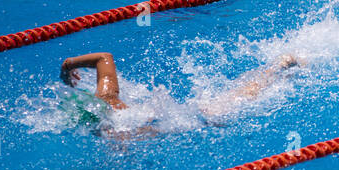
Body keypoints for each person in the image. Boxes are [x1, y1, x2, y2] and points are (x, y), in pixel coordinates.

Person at [60, 51, 303, 123]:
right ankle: (280, 66)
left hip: (196, 120)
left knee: (238, 100)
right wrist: (68, 65)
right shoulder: (108, 98)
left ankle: (281, 66)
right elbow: (103, 58)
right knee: (237, 96)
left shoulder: (113, 119)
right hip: (185, 114)